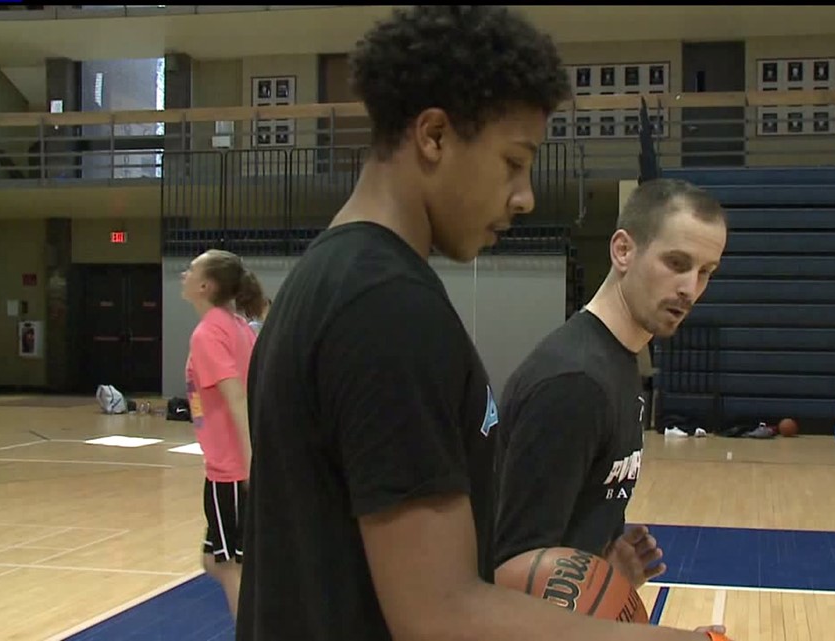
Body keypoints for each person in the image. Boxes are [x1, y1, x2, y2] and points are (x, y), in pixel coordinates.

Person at [237, 6, 729, 641]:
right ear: (434, 137)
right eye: (513, 162)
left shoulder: (328, 279)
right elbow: (441, 613)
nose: (524, 195)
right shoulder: (387, 309)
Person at [494, 178, 728, 589]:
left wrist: (607, 562)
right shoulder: (575, 383)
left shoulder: (617, 363)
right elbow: (512, 577)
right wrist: (607, 582)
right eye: (677, 263)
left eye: (705, 272)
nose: (690, 288)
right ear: (623, 251)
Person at [179, 249, 262, 617]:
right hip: (230, 465)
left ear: (204, 285)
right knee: (213, 560)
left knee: (230, 567)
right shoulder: (239, 327)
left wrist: (249, 463)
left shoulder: (209, 333)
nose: (184, 273)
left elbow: (237, 397)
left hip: (231, 471)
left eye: (191, 269)